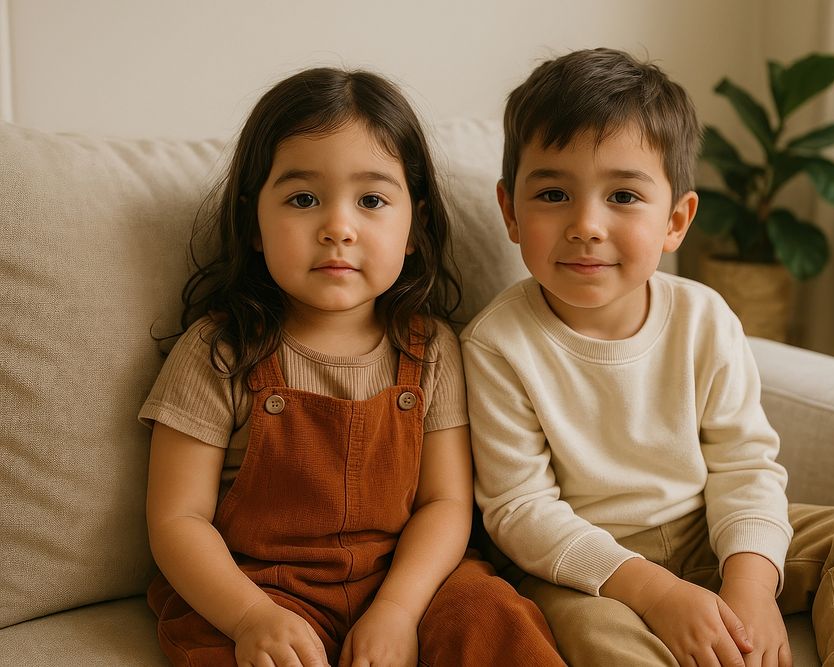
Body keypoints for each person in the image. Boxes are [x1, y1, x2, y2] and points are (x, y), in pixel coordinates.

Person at [461, 48, 834, 667]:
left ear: (676, 221)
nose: (586, 225)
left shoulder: (703, 317)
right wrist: (655, 593)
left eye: (624, 196)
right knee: (585, 628)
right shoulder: (496, 343)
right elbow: (521, 511)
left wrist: (751, 586)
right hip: (590, 563)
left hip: (704, 533)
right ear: (510, 212)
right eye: (553, 193)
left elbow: (745, 465)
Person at [140, 67, 564, 667]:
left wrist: (398, 610)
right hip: (260, 590)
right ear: (255, 224)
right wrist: (249, 617)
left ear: (412, 227)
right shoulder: (219, 350)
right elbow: (177, 519)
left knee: (490, 613)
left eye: (371, 200)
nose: (338, 227)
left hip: (408, 582)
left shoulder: (433, 350)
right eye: (303, 199)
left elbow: (446, 504)